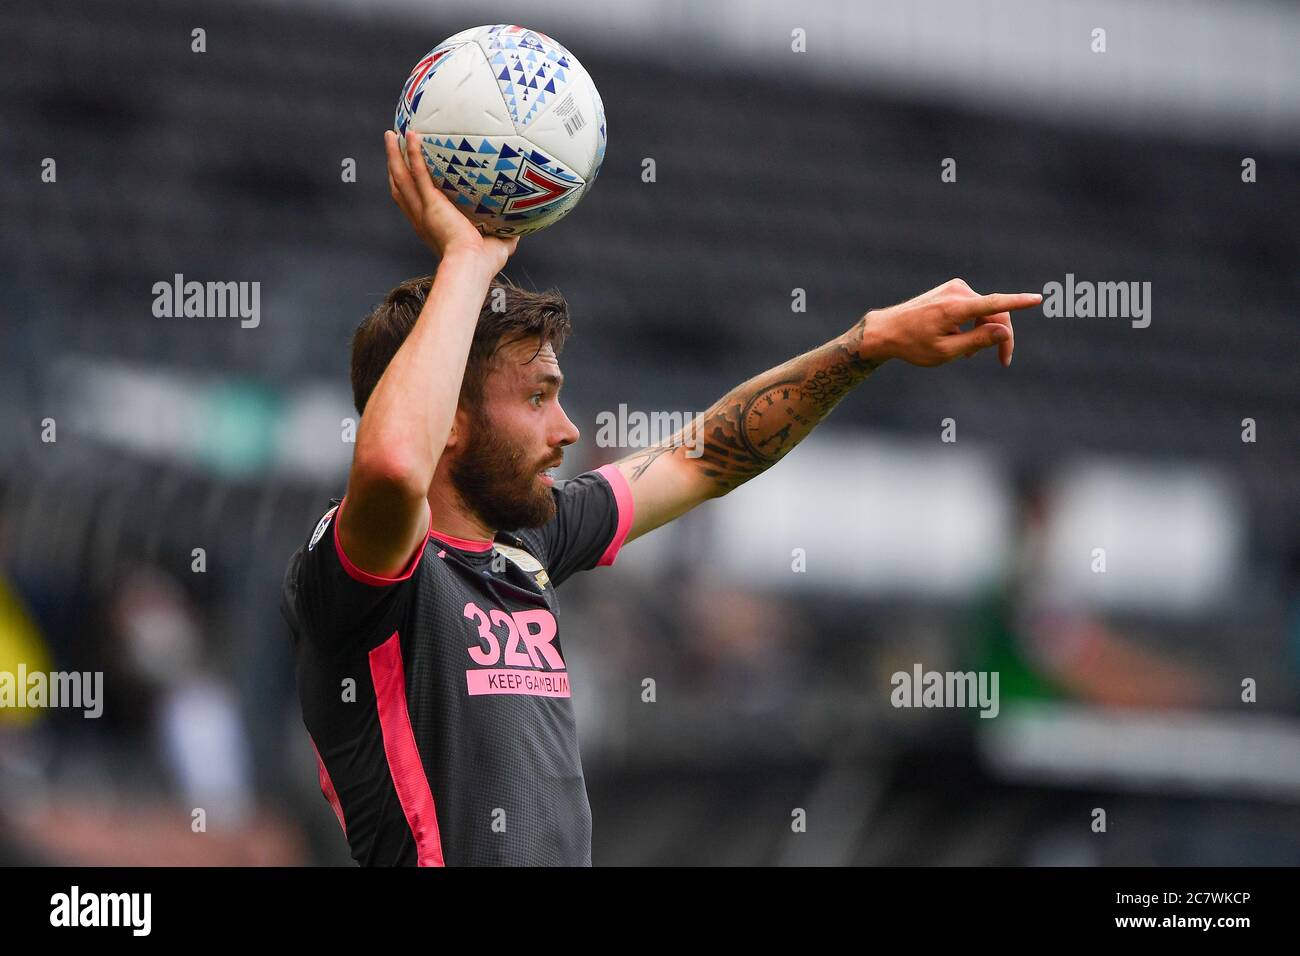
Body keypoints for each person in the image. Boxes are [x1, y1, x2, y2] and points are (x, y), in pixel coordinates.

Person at [278, 129, 1042, 866]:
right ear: (449, 421)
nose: (568, 429)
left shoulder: (529, 544)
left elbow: (709, 453)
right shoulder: (364, 575)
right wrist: (467, 266)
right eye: (539, 397)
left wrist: (866, 344)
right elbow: (389, 467)